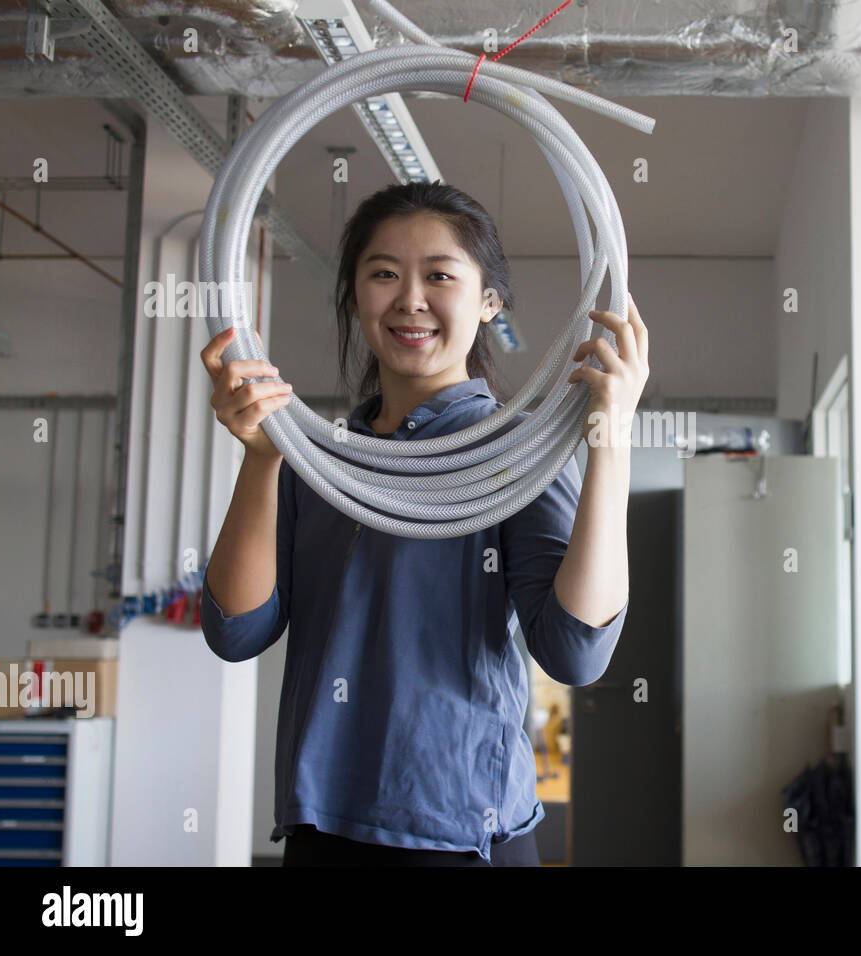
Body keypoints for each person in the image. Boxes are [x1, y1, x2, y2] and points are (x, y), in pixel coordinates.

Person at [198, 180, 647, 866]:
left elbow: (575, 651)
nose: (410, 299)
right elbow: (237, 630)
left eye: (440, 274)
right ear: (353, 296)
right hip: (322, 833)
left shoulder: (517, 454)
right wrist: (262, 462)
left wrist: (609, 443)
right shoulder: (314, 458)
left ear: (489, 301)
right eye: (383, 274)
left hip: (463, 833)